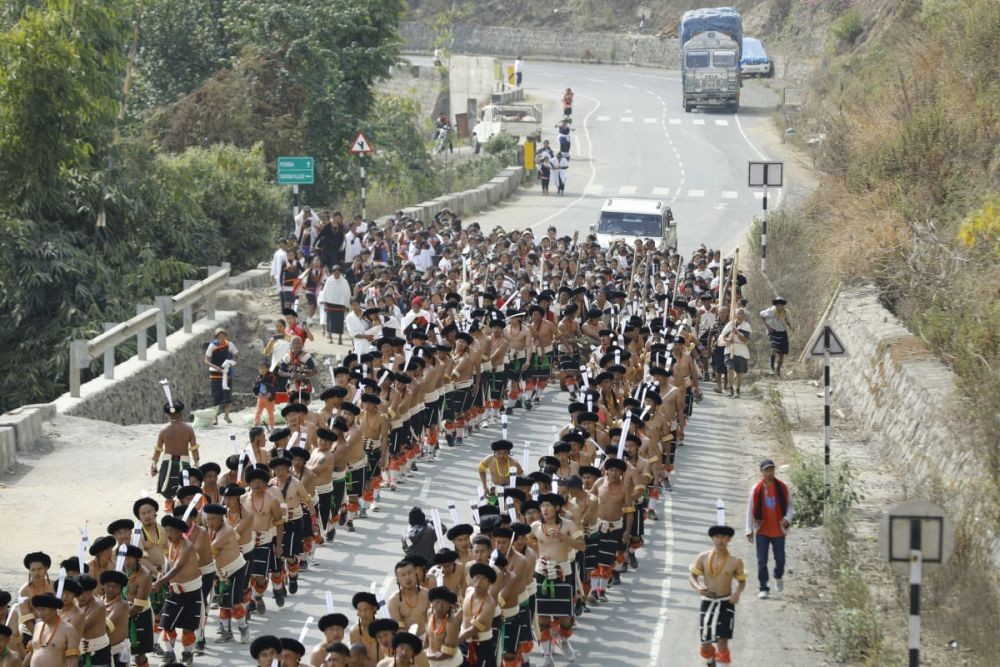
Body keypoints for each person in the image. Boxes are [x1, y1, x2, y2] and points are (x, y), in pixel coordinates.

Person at [688, 524, 747, 667]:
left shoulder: (735, 561)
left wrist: (737, 593)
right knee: (706, 642)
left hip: (726, 603)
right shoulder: (703, 557)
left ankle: (721, 663)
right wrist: (698, 587)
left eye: (724, 537)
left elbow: (742, 581)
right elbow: (692, 576)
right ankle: (710, 660)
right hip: (708, 601)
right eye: (717, 537)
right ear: (712, 538)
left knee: (723, 641)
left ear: (729, 540)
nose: (720, 540)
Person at [745, 458, 792, 599]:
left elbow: (790, 506)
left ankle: (778, 575)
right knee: (762, 560)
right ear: (761, 472)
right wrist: (749, 530)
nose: (769, 472)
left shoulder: (783, 487)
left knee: (780, 559)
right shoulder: (757, 489)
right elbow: (750, 510)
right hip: (762, 530)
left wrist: (787, 519)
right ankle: (763, 587)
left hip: (778, 531)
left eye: (771, 469)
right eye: (766, 470)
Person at [151, 401, 199, 510]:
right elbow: (194, 448)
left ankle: (170, 509)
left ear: (168, 414)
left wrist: (153, 465)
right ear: (180, 413)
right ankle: (182, 510)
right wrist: (197, 464)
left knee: (167, 490)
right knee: (184, 489)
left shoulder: (164, 430)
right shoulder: (188, 429)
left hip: (167, 463)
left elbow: (158, 450)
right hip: (184, 462)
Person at [204, 328, 239, 424]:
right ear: (216, 337)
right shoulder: (212, 346)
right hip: (215, 374)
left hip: (227, 373)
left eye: (223, 336)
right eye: (219, 336)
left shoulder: (229, 345)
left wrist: (232, 363)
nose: (222, 338)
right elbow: (206, 360)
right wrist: (216, 367)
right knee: (216, 397)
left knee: (228, 396)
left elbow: (237, 355)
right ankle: (215, 418)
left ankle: (226, 415)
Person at [719, 309, 750, 398]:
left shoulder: (746, 326)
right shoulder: (730, 324)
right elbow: (723, 336)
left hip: (741, 349)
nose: (739, 316)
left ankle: (738, 390)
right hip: (730, 348)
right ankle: (731, 389)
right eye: (737, 314)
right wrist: (728, 339)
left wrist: (737, 333)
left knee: (740, 372)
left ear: (744, 316)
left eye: (741, 314)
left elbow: (745, 340)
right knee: (730, 369)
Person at [319, 265, 352, 344]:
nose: (336, 274)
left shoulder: (344, 282)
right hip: (330, 304)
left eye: (338, 272)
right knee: (330, 321)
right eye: (335, 272)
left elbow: (347, 294)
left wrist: (347, 305)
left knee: (340, 322)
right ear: (332, 273)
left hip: (340, 305)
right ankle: (330, 339)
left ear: (340, 273)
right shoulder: (329, 281)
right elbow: (325, 292)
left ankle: (340, 339)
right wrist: (325, 304)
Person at [759, 297, 791, 376]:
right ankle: (772, 368)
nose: (779, 306)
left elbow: (788, 321)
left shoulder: (786, 312)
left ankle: (778, 370)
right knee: (773, 349)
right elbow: (761, 315)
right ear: (775, 305)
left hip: (782, 332)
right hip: (773, 332)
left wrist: (791, 327)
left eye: (781, 304)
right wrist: (767, 326)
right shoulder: (770, 311)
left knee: (781, 354)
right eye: (777, 304)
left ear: (783, 305)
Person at [252, 362, 277, 430]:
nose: (262, 370)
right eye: (260, 368)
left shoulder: (271, 377)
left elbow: (274, 387)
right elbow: (256, 386)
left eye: (263, 368)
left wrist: (271, 393)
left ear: (268, 369)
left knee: (270, 413)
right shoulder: (259, 377)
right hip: (260, 398)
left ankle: (271, 427)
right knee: (258, 412)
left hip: (269, 399)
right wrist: (255, 393)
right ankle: (255, 425)